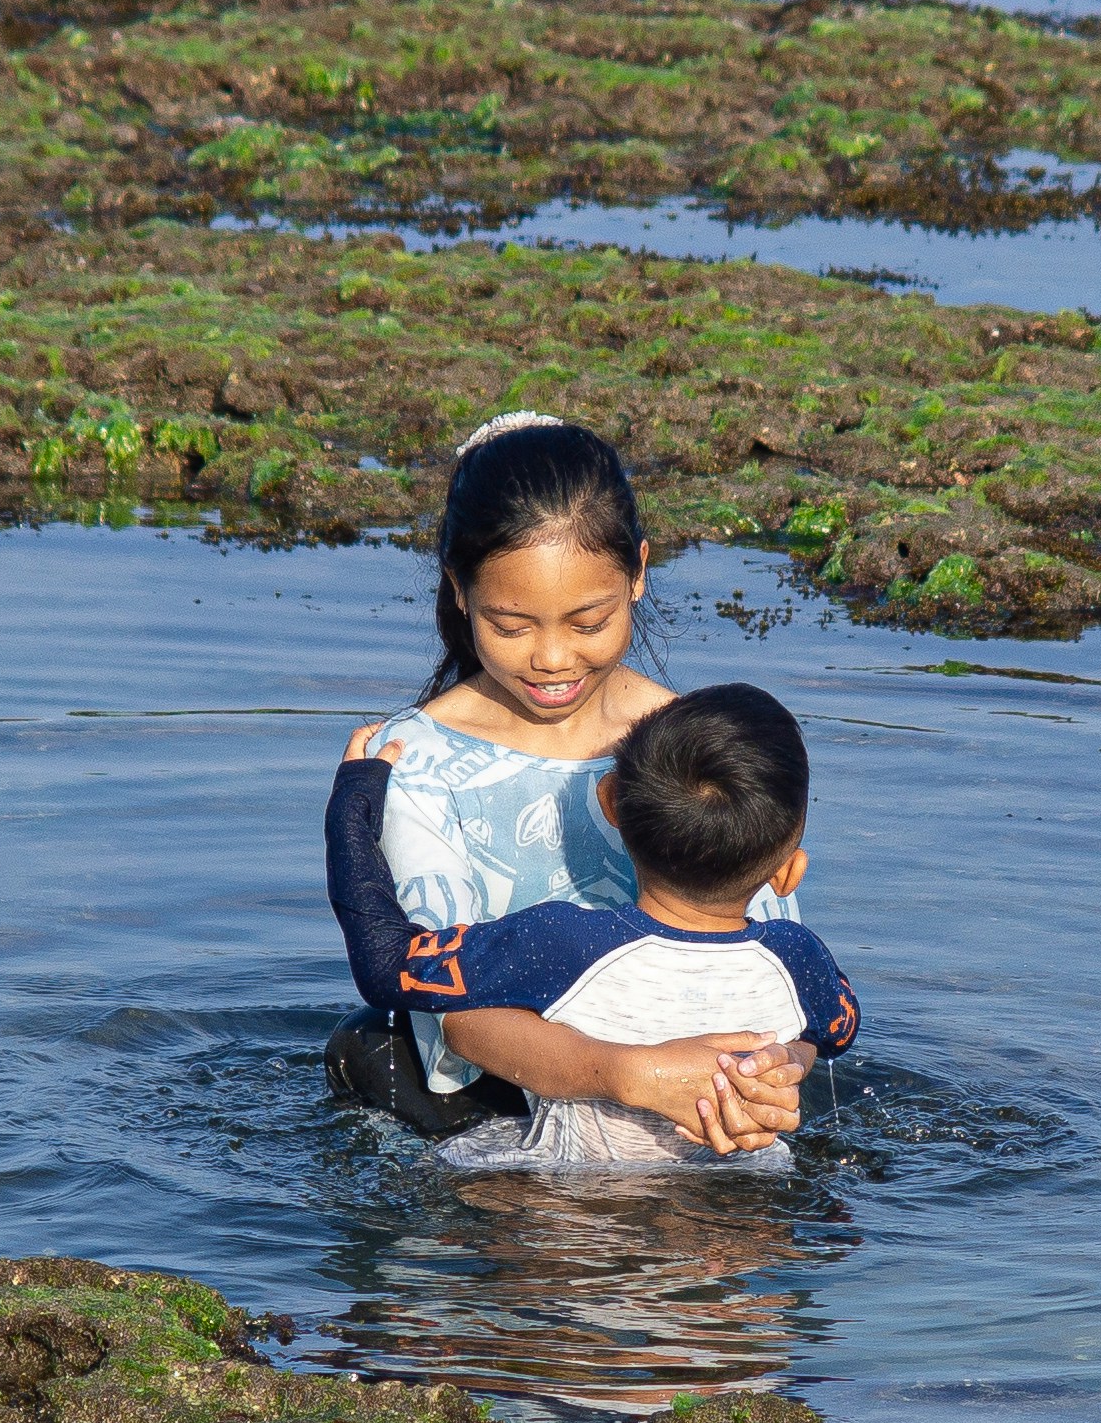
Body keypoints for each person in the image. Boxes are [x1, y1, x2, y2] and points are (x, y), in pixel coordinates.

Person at [318, 409, 812, 1155]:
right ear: (460, 588)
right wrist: (627, 1074)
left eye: (588, 622)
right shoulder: (412, 758)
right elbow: (448, 1008)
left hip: (712, 1088)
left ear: (639, 572)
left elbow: (781, 963)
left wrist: (770, 1082)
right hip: (517, 1091)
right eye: (513, 627)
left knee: (359, 1047)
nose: (552, 659)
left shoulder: (697, 748)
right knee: (372, 1045)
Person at [329, 683, 858, 1171]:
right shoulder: (798, 957)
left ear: (609, 801)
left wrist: (352, 811)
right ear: (789, 873)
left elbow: (388, 968)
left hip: (572, 1211)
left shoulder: (563, 943)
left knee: (375, 1054)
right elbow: (837, 1030)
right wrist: (780, 1062)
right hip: (745, 1207)